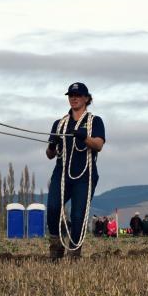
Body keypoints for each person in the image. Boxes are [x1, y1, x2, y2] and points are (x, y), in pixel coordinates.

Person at [46, 82, 106, 259]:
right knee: (53, 208)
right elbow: (49, 155)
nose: (74, 98)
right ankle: (56, 246)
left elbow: (99, 145)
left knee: (78, 214)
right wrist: (52, 145)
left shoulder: (94, 121)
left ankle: (74, 252)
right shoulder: (60, 124)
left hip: (84, 174)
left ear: (86, 99)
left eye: (78, 95)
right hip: (61, 174)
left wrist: (84, 137)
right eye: (71, 96)